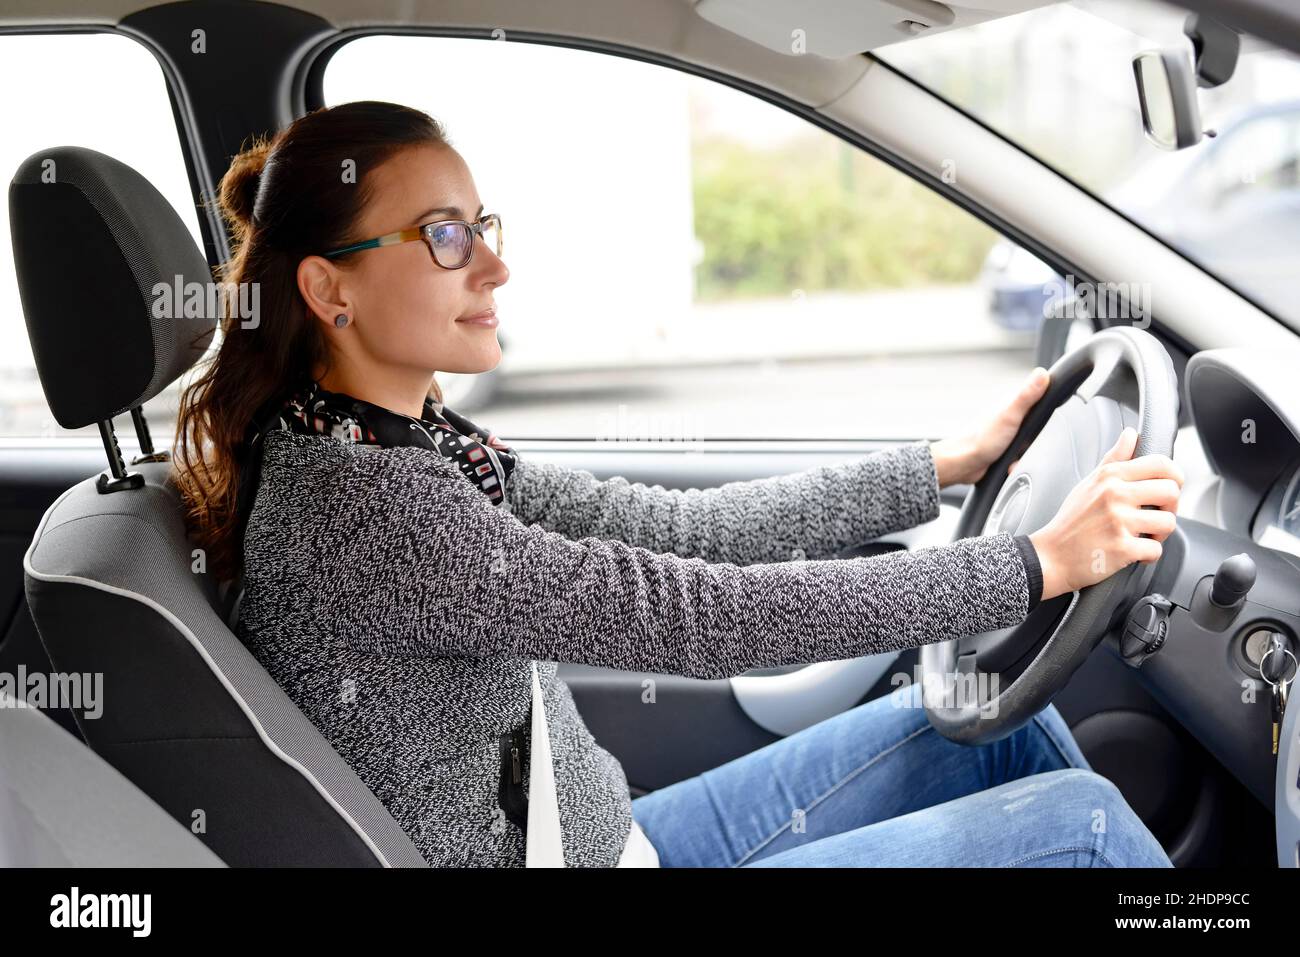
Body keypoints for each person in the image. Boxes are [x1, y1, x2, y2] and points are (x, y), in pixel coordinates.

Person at [172, 101, 1181, 868]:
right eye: (442, 236)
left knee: (993, 728)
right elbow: (705, 619)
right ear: (328, 287)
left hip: (606, 840)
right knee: (1079, 828)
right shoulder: (370, 509)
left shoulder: (400, 443)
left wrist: (937, 468)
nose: (491, 267)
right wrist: (1040, 562)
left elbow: (673, 530)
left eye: (481, 225)